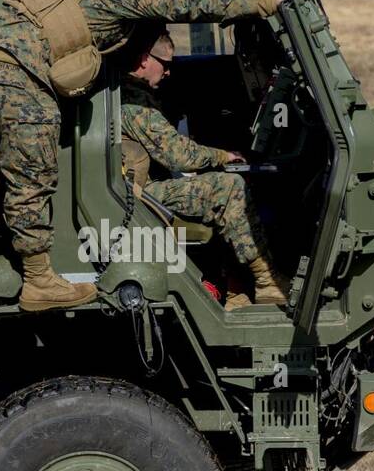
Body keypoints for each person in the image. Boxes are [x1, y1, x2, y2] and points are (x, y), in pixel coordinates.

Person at [0, 0, 313, 312]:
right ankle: (39, 282)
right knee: (32, 177)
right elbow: (192, 3)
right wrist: (266, 1)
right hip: (18, 71)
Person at [119, 29, 289, 307]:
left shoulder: (133, 93)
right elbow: (179, 156)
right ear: (144, 60)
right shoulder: (134, 103)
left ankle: (234, 288)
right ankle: (266, 281)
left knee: (215, 185)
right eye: (166, 64)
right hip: (140, 195)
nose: (169, 72)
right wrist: (223, 156)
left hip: (138, 189)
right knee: (228, 187)